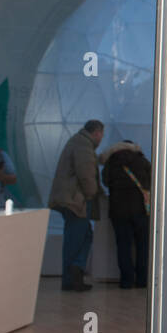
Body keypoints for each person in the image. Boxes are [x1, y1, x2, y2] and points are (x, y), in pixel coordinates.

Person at [48, 120, 104, 292]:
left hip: (69, 199)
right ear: (96, 133)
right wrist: (91, 194)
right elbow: (86, 173)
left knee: (83, 235)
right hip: (75, 201)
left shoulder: (78, 142)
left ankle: (73, 274)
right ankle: (72, 276)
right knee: (77, 238)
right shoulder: (84, 146)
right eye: (101, 134)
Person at [100, 139, 151, 289]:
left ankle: (126, 281)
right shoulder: (142, 161)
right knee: (143, 246)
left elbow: (106, 181)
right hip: (140, 210)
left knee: (123, 245)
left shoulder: (111, 162)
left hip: (118, 211)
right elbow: (150, 182)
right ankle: (142, 280)